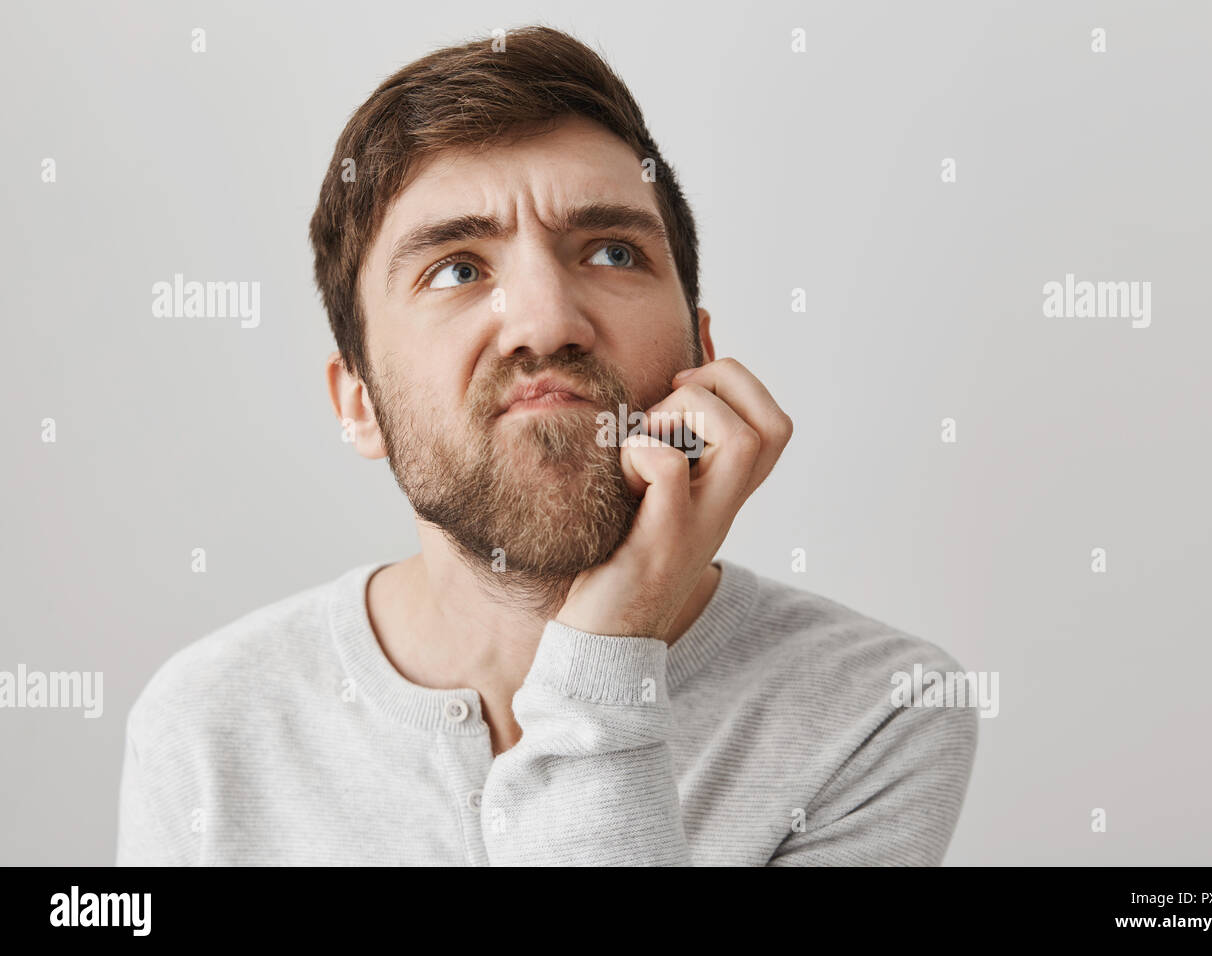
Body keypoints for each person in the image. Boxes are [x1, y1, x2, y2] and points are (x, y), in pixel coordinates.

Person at [116, 25, 976, 866]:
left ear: (702, 357)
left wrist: (606, 651)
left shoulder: (877, 707)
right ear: (360, 403)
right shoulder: (208, 724)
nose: (545, 323)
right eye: (456, 268)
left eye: (610, 251)